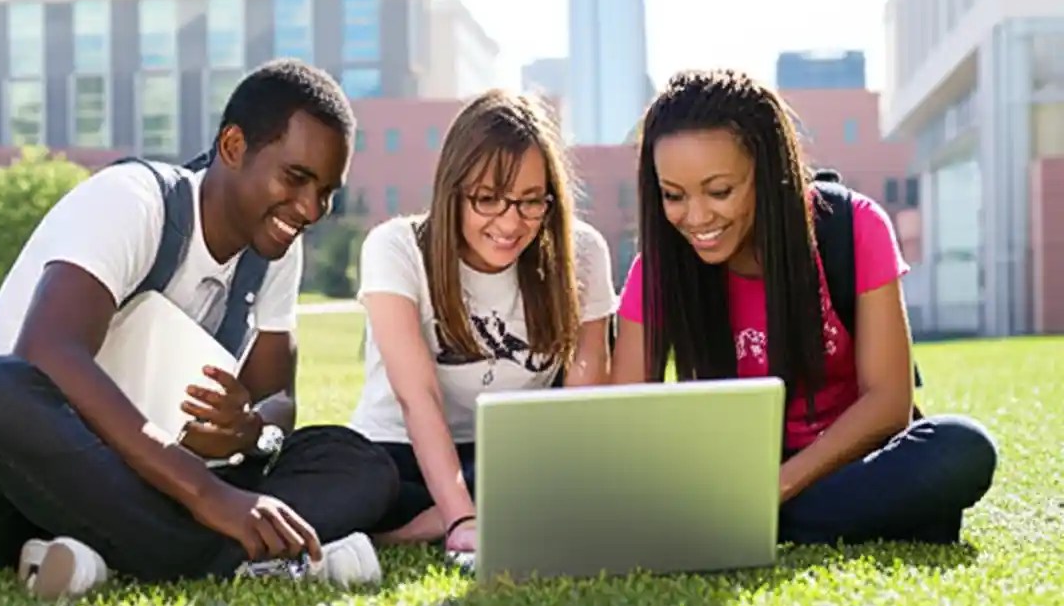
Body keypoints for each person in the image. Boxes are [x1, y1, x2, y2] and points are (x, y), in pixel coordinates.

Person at [0, 59, 400, 599]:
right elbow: (49, 350)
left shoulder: (276, 248)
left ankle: (103, 555)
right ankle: (240, 559)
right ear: (234, 147)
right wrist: (207, 495)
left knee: (359, 460)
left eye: (326, 191)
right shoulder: (134, 201)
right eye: (296, 178)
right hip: (2, 481)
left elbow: (278, 396)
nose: (310, 208)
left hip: (136, 487)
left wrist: (250, 429)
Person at [611, 68, 997, 545]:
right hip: (733, 470)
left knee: (960, 450)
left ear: (767, 173)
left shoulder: (852, 227)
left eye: (719, 191)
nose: (695, 217)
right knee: (930, 514)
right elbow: (621, 418)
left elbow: (889, 403)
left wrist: (773, 492)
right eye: (673, 195)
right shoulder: (660, 268)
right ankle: (851, 522)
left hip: (846, 459)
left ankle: (759, 524)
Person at [347, 89, 619, 554]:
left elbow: (583, 407)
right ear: (453, 190)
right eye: (488, 199)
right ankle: (437, 519)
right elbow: (419, 399)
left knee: (602, 476)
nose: (511, 223)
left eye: (531, 201)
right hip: (400, 455)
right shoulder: (395, 247)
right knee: (351, 486)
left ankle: (421, 527)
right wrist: (461, 519)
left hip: (513, 459)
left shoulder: (583, 252)